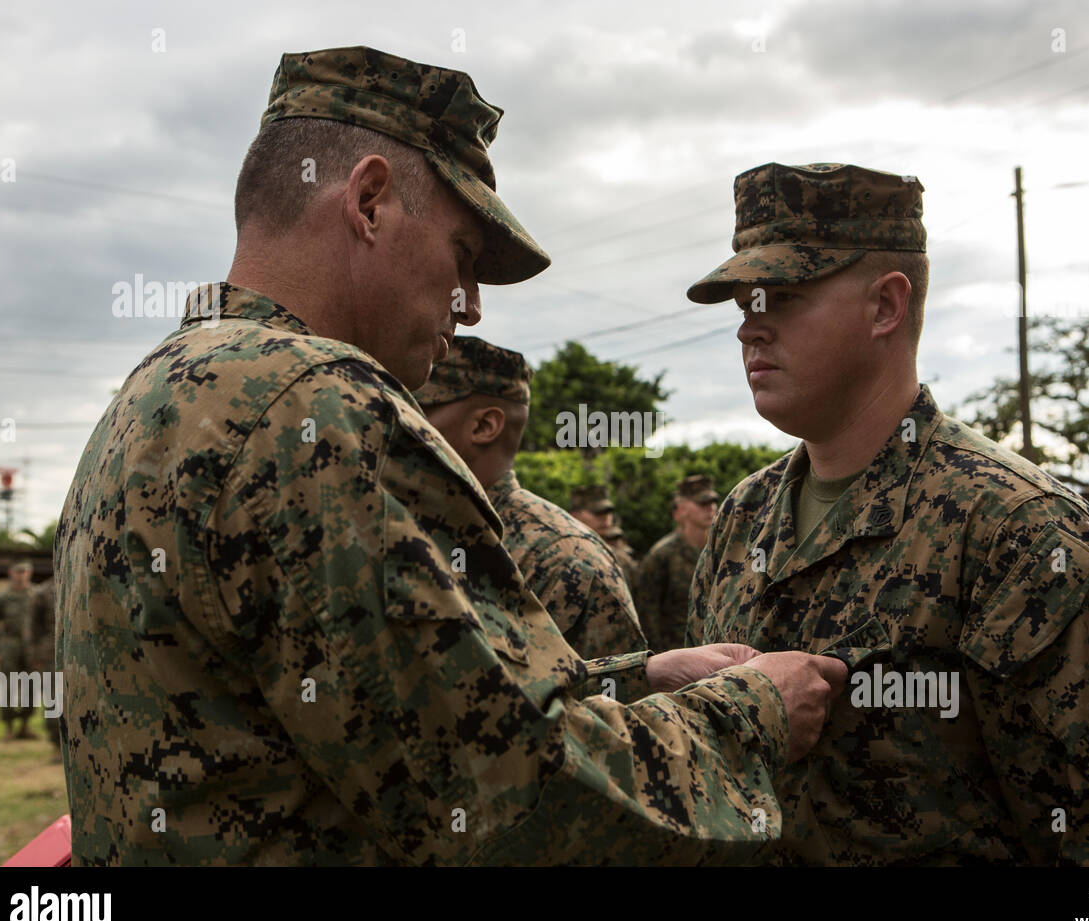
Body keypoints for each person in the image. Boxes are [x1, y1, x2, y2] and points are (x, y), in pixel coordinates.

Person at [55, 46, 845, 865]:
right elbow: (517, 805)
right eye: (464, 257)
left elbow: (380, 717)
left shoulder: (160, 391)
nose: (467, 307)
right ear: (368, 201)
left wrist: (630, 683)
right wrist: (753, 711)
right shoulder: (321, 404)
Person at [684, 161, 1089, 864]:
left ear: (885, 307)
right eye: (745, 303)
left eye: (780, 297)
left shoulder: (1020, 528)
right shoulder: (744, 516)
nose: (750, 330)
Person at [414, 336, 646, 659]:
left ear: (484, 426)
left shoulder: (566, 561)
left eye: (415, 409)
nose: (396, 419)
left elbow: (606, 705)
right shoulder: (408, 525)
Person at [634, 475, 719, 652]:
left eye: (713, 502)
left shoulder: (722, 549)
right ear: (682, 509)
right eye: (702, 503)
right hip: (676, 653)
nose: (710, 508)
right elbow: (647, 613)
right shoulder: (662, 555)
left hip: (718, 652)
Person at [0, 561, 34, 741]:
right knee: (8, 687)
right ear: (10, 573)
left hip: (30, 647)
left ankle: (25, 726)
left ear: (29, 573)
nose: (21, 575)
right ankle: (9, 728)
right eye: (18, 571)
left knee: (31, 686)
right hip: (9, 646)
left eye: (24, 571)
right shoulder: (2, 598)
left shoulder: (35, 595)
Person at [25, 575, 60, 752]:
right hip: (51, 653)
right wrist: (35, 656)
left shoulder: (80, 579)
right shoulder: (43, 592)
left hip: (82, 650)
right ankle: (57, 743)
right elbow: (33, 628)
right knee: (53, 698)